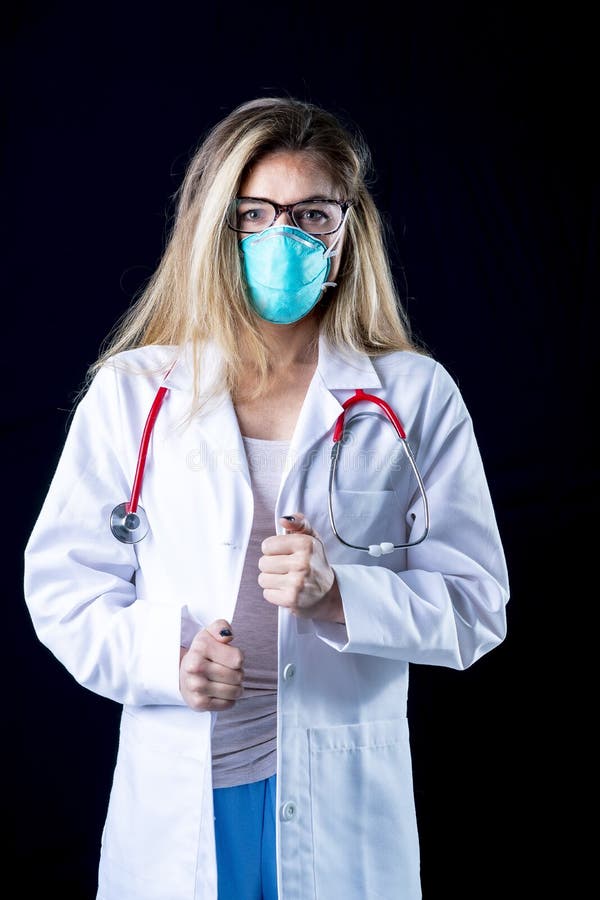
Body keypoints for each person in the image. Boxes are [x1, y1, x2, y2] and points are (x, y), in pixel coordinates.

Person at [23, 96, 510, 900]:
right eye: (255, 213)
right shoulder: (135, 394)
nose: (283, 238)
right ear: (219, 227)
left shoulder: (412, 397)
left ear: (347, 231)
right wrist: (165, 661)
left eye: (311, 215)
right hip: (180, 799)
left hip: (336, 803)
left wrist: (338, 596)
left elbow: (477, 606)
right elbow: (62, 588)